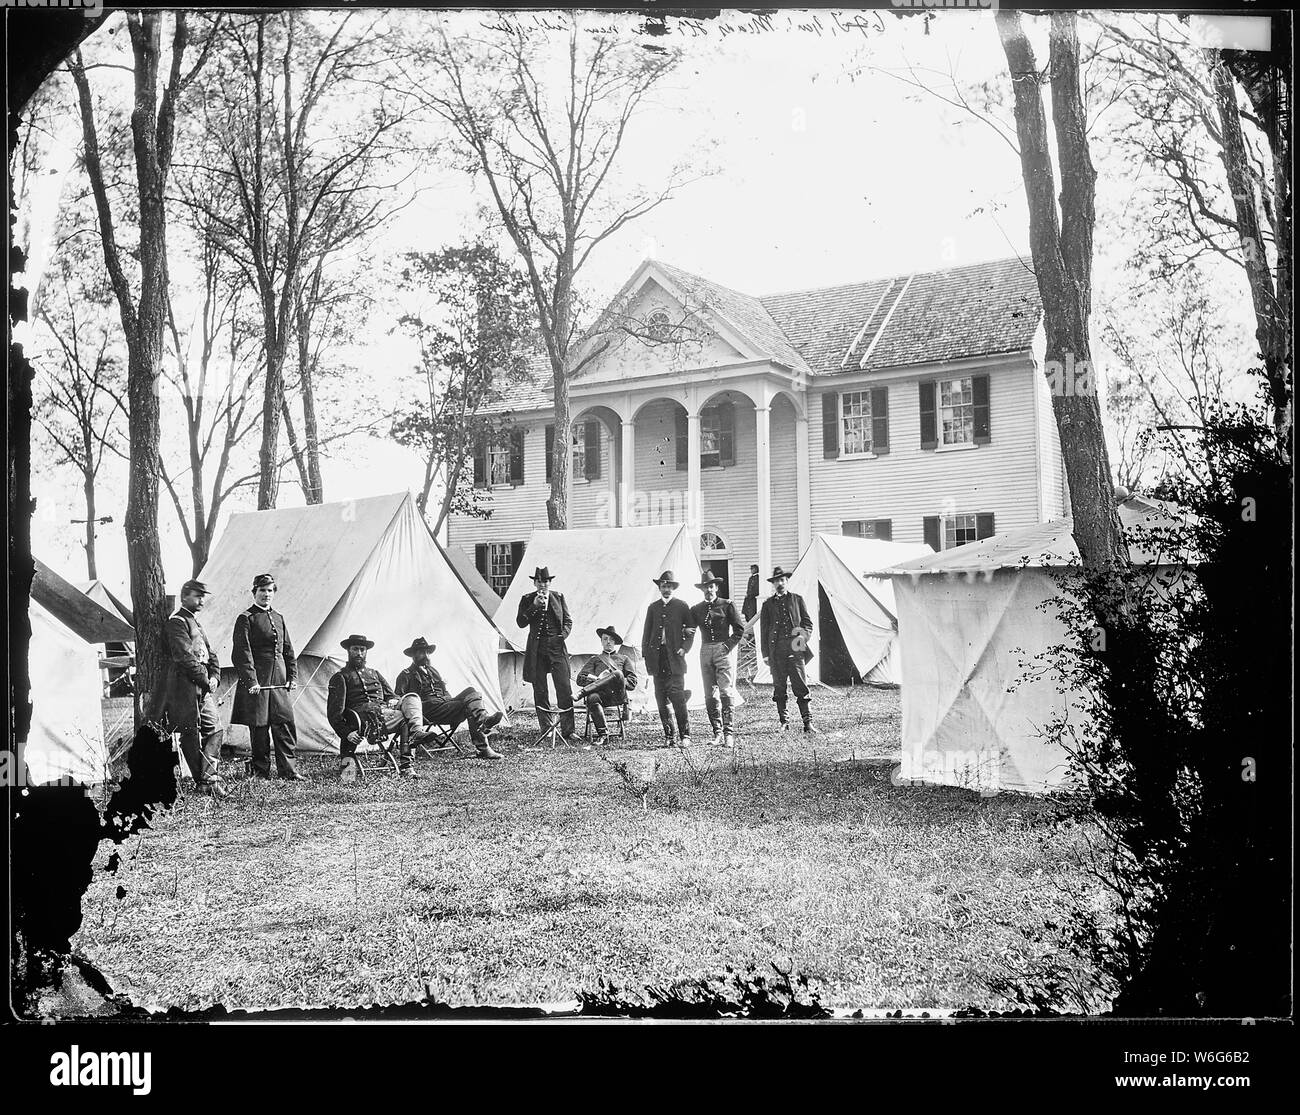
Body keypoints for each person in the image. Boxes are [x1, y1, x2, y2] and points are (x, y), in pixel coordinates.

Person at [326, 634, 439, 781]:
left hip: (385, 715)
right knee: (348, 776)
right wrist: (346, 732)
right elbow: (334, 712)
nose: (359, 653)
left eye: (362, 649)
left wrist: (392, 700)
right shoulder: (341, 677)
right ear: (348, 651)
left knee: (411, 698)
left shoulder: (374, 673)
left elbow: (391, 695)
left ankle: (407, 764)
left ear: (366, 652)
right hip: (361, 720)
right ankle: (349, 769)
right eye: (355, 649)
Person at [154, 579, 228, 798]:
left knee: (215, 728)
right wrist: (206, 679)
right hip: (183, 686)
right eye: (197, 595)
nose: (201, 600)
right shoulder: (176, 622)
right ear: (184, 596)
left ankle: (208, 778)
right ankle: (204, 781)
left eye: (203, 596)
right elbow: (184, 657)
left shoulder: (195, 622)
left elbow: (210, 653)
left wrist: (214, 676)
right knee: (191, 732)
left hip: (202, 685)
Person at [231, 573, 305, 781]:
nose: (266, 594)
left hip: (280, 680)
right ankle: (260, 771)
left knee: (284, 724)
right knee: (260, 726)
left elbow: (288, 650)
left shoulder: (279, 618)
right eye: (262, 590)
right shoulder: (246, 618)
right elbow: (241, 653)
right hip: (259, 680)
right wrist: (251, 680)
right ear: (254, 592)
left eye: (270, 590)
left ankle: (288, 770)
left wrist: (292, 675)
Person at [395, 636, 503, 760]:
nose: (425, 655)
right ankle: (483, 738)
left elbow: (445, 691)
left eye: (427, 652)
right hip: (427, 710)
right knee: (468, 705)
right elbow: (399, 698)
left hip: (444, 705)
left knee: (471, 691)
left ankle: (483, 720)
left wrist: (450, 702)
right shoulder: (405, 675)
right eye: (421, 652)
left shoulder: (433, 671)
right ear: (413, 655)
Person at [515, 566, 576, 743]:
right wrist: (534, 606)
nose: (543, 585)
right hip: (537, 650)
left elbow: (568, 621)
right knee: (540, 690)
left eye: (546, 581)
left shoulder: (558, 597)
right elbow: (520, 623)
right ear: (535, 583)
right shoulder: (527, 599)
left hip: (557, 649)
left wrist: (562, 636)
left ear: (550, 583)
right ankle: (546, 728)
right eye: (540, 581)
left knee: (564, 688)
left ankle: (568, 730)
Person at [689, 570, 745, 748]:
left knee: (726, 691)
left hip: (723, 650)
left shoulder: (727, 605)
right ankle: (717, 733)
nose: (708, 590)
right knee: (709, 693)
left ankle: (729, 733)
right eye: (705, 587)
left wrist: (727, 646)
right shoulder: (696, 609)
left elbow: (739, 630)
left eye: (711, 586)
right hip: (705, 651)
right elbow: (689, 628)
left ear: (717, 587)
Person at [641, 570, 696, 747]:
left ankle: (685, 735)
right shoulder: (653, 608)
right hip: (657, 658)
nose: (666, 589)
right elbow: (646, 633)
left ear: (674, 588)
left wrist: (684, 648)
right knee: (661, 698)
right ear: (659, 588)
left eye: (669, 586)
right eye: (663, 586)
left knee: (678, 698)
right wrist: (646, 655)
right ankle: (669, 736)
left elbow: (691, 630)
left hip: (675, 659)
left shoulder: (682, 606)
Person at [759, 566, 816, 735]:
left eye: (782, 580)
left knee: (801, 686)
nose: (779, 583)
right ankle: (784, 723)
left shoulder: (797, 600)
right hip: (776, 652)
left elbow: (808, 624)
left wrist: (801, 640)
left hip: (795, 649)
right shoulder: (767, 604)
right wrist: (766, 654)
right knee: (779, 688)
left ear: (787, 581)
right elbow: (764, 631)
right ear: (773, 584)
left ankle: (808, 723)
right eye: (776, 581)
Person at [575, 626, 639, 745]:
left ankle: (582, 693)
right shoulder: (595, 659)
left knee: (618, 673)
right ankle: (603, 735)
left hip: (617, 695)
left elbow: (633, 682)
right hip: (600, 695)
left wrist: (616, 680)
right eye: (605, 639)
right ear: (601, 642)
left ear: (615, 642)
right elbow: (580, 678)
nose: (608, 642)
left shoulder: (624, 659)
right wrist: (598, 679)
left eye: (611, 639)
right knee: (592, 698)